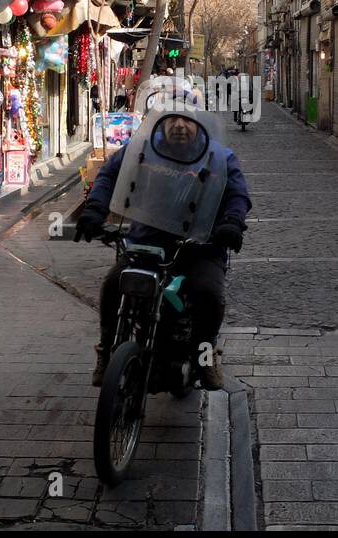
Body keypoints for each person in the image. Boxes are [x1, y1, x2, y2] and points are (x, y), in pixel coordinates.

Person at [74, 95, 251, 391]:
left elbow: (237, 194)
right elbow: (108, 176)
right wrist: (94, 209)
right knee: (112, 285)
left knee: (209, 294)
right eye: (172, 119)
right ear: (161, 123)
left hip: (199, 247)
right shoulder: (141, 149)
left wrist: (232, 222)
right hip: (147, 244)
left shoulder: (219, 157)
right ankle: (106, 351)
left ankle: (207, 358)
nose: (180, 125)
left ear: (198, 124)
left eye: (187, 120)